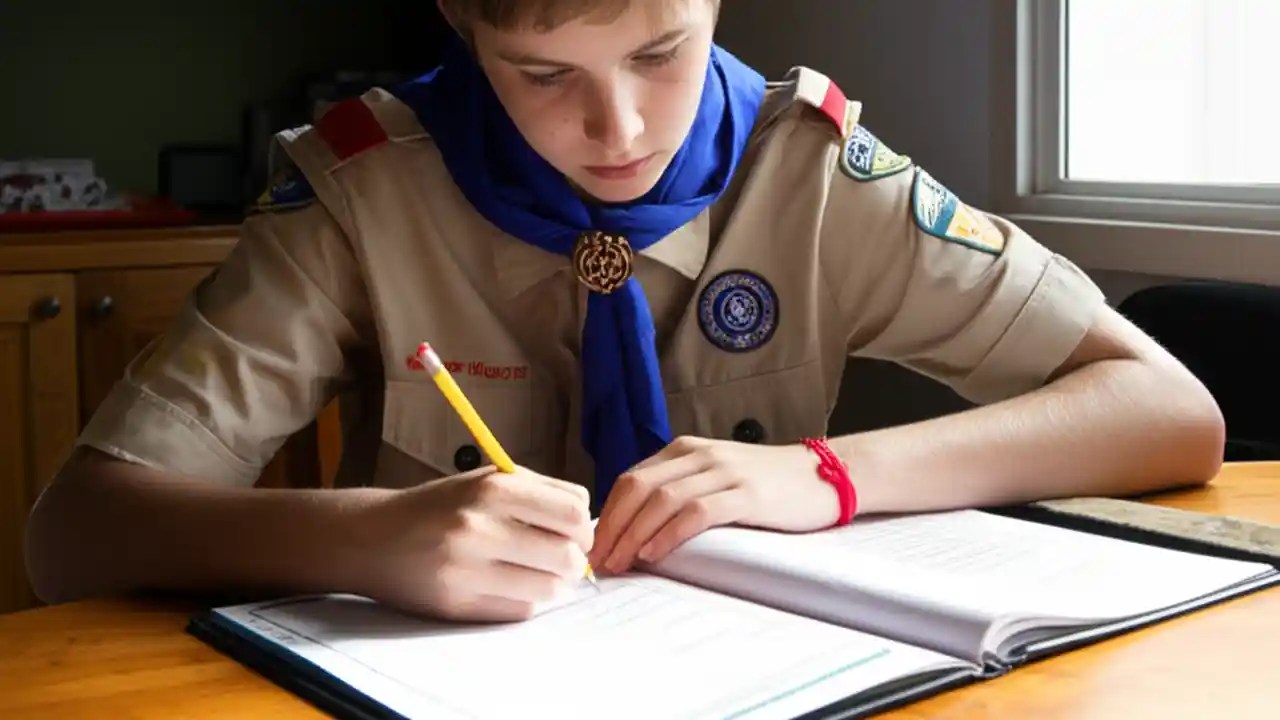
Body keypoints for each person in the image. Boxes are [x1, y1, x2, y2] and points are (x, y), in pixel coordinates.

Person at [25, 0, 1224, 622]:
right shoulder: (359, 193)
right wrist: (359, 539)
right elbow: (73, 532)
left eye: (663, 51)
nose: (622, 133)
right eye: (543, 75)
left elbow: (1166, 411)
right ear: (460, 20)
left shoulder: (810, 173)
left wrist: (828, 475)